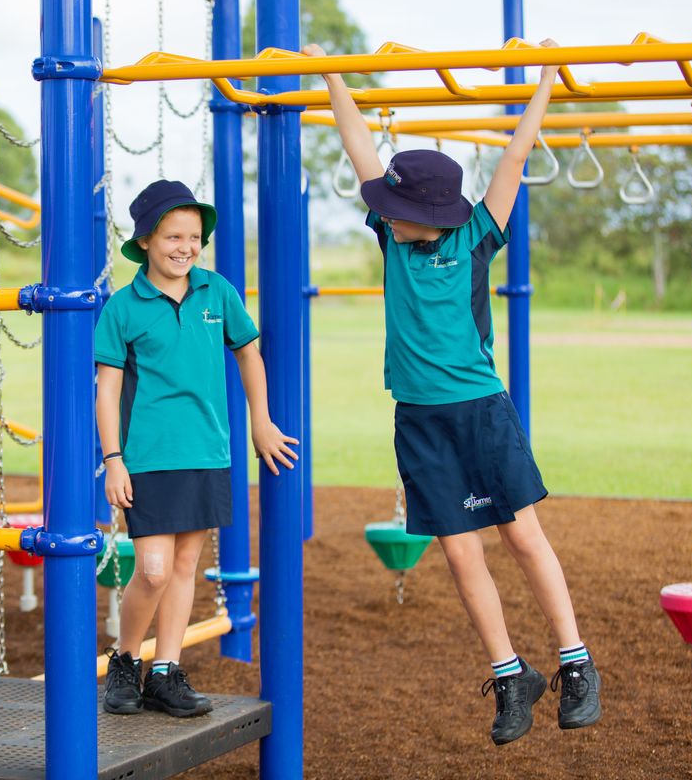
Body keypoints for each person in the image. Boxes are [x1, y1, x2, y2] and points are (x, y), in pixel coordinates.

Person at [304, 40, 601, 745]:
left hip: (479, 411)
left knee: (521, 535)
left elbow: (512, 159)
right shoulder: (391, 236)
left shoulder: (475, 234)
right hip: (420, 420)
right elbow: (357, 149)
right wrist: (330, 74)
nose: (383, 210)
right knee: (461, 551)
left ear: (433, 212)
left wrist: (546, 83)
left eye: (396, 206)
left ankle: (577, 661)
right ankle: (509, 674)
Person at [95, 179, 298, 717]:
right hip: (149, 456)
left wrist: (263, 423)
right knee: (154, 569)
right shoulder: (123, 307)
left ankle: (165, 671)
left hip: (208, 452)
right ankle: (125, 660)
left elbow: (249, 355)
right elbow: (109, 388)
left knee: (185, 564)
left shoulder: (217, 292)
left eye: (193, 237)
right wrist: (112, 458)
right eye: (172, 237)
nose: (185, 247)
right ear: (144, 242)